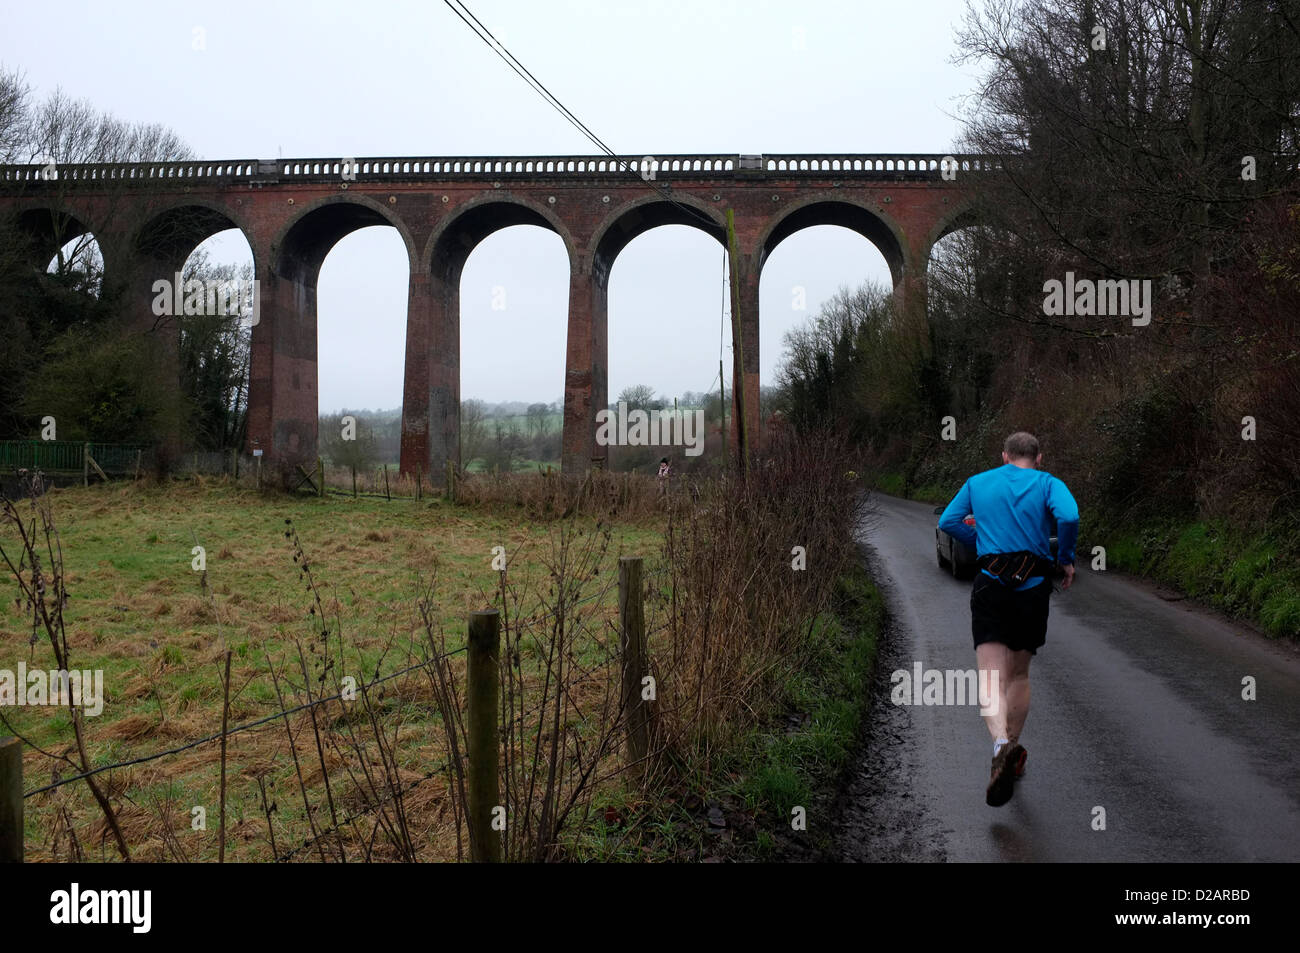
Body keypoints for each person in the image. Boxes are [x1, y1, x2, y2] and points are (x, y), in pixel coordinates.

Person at [937, 432, 1078, 807]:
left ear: (1004, 456)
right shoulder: (1048, 483)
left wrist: (980, 536)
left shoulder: (978, 482)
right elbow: (1069, 515)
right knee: (1018, 675)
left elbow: (949, 521)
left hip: (991, 587)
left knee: (989, 677)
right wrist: (1065, 557)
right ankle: (1010, 750)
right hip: (1032, 588)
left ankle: (1000, 744)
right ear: (1039, 457)